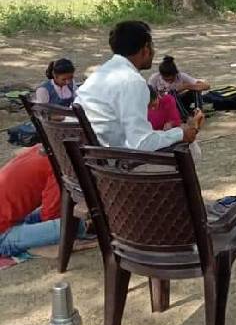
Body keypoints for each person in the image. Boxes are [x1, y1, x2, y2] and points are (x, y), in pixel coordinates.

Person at [75, 20, 202, 150]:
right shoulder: (133, 82)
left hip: (88, 155)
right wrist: (180, 133)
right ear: (146, 49)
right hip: (113, 160)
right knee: (190, 148)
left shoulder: (99, 74)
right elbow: (141, 143)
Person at [0, 145, 86, 256]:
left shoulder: (42, 148)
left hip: (12, 219)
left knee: (72, 216)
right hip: (3, 236)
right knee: (77, 224)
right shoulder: (58, 166)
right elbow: (50, 215)